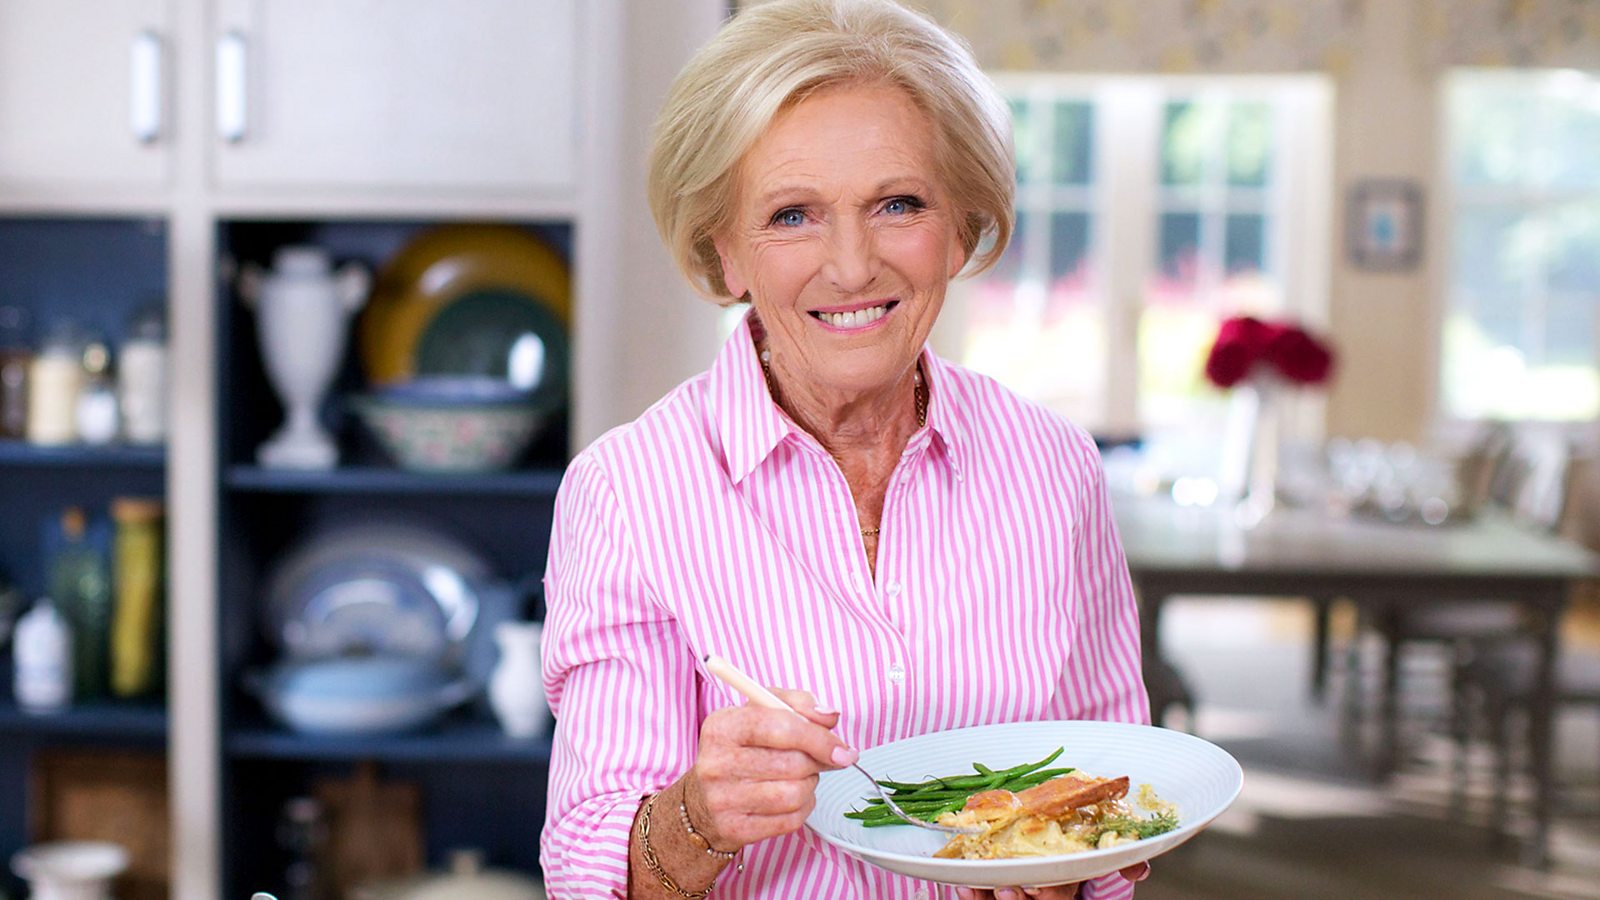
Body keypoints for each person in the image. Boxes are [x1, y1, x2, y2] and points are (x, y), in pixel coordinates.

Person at [540, 1, 1149, 897]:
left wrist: (1063, 875)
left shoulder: (1055, 468)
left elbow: (1115, 797)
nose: (853, 264)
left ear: (962, 228)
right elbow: (584, 868)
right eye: (793, 215)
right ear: (727, 250)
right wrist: (700, 815)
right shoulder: (626, 491)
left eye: (898, 203)